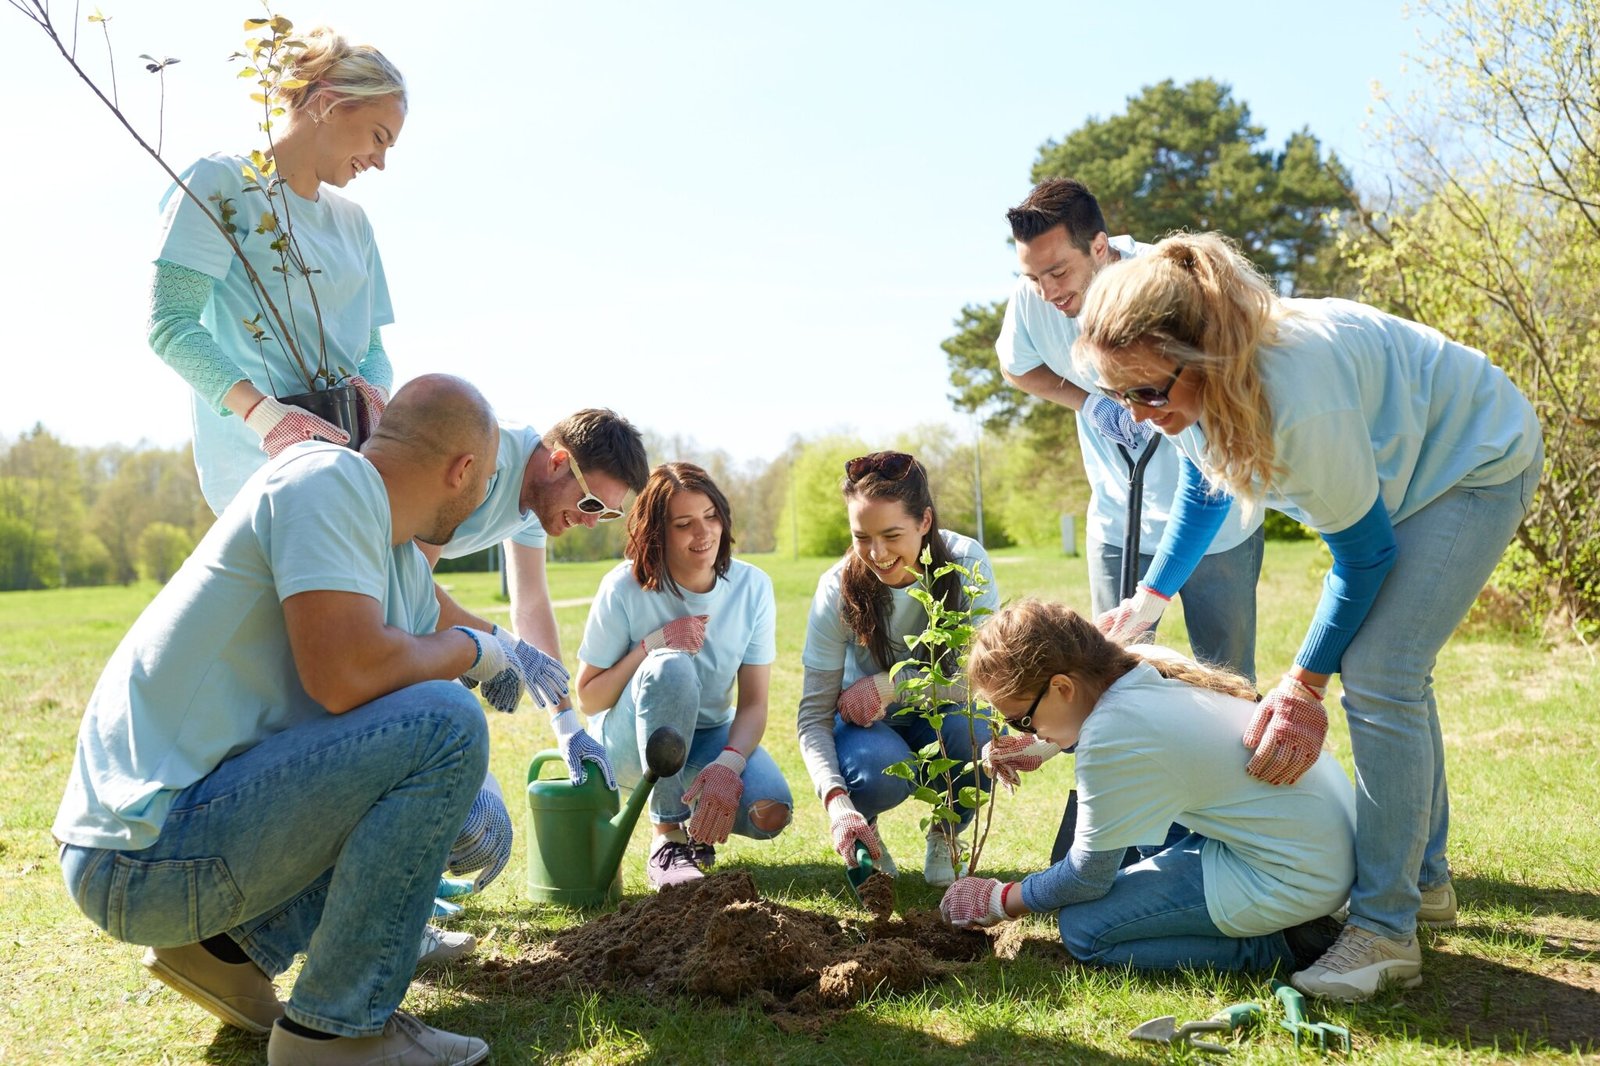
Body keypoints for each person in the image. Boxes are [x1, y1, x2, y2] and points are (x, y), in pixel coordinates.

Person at [1074, 232, 1543, 999]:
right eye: (1121, 396)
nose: (1141, 412)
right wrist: (1150, 601)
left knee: (1380, 673)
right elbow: (1205, 483)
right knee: (1391, 674)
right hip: (1411, 470)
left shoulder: (1298, 393)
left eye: (1151, 392)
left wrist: (1302, 686)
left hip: (1475, 461)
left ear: (1206, 355)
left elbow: (1363, 556)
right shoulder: (1194, 392)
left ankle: (1386, 930)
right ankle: (1423, 882)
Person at [52, 375, 566, 1064]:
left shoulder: (390, 551)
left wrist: (499, 657)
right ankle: (337, 1033)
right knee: (447, 721)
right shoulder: (328, 480)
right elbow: (347, 674)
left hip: (177, 843)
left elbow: (402, 694)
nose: (486, 500)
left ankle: (223, 955)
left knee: (438, 727)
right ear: (463, 471)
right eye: (489, 480)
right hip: (138, 857)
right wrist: (470, 653)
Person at [939, 599, 1355, 976]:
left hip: (1291, 875)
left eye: (1020, 720)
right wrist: (1038, 742)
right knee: (1125, 868)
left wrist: (1000, 898)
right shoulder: (1140, 662)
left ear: (1063, 687)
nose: (1026, 731)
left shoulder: (1111, 735)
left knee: (1083, 928)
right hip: (1316, 844)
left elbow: (1087, 878)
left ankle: (1281, 943)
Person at [997, 178, 1263, 679]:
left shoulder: (1167, 286)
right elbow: (1015, 367)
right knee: (1113, 677)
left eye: (1058, 272)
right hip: (1120, 519)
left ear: (1100, 247)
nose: (1048, 292)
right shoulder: (1033, 297)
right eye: (1034, 277)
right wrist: (1089, 402)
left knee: (1230, 679)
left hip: (1217, 526)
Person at [148, 26, 406, 513]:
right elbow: (171, 326)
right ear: (329, 102)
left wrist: (374, 391)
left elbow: (372, 348)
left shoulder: (354, 224)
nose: (380, 161)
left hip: (348, 471)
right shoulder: (221, 183)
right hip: (261, 477)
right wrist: (269, 418)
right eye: (378, 137)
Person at [574, 463, 792, 889]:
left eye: (711, 516)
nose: (704, 533)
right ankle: (667, 839)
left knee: (769, 812)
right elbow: (589, 699)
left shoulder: (753, 587)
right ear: (658, 532)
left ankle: (696, 831)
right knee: (671, 664)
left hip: (706, 732)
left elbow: (753, 705)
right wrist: (651, 644)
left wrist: (728, 765)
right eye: (684, 524)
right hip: (626, 744)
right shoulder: (623, 587)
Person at [798, 451, 998, 887]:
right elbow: (812, 717)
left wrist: (892, 686)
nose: (877, 553)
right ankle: (863, 829)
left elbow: (983, 679)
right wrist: (837, 804)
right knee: (878, 771)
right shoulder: (836, 590)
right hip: (863, 730)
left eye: (891, 534)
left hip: (941, 716)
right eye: (862, 537)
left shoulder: (965, 565)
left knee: (979, 736)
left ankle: (946, 832)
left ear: (925, 521)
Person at [420, 411, 650, 789]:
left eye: (606, 513)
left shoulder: (538, 497)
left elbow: (530, 604)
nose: (591, 523)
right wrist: (502, 644)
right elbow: (412, 585)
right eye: (591, 503)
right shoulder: (486, 464)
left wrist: (566, 725)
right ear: (559, 462)